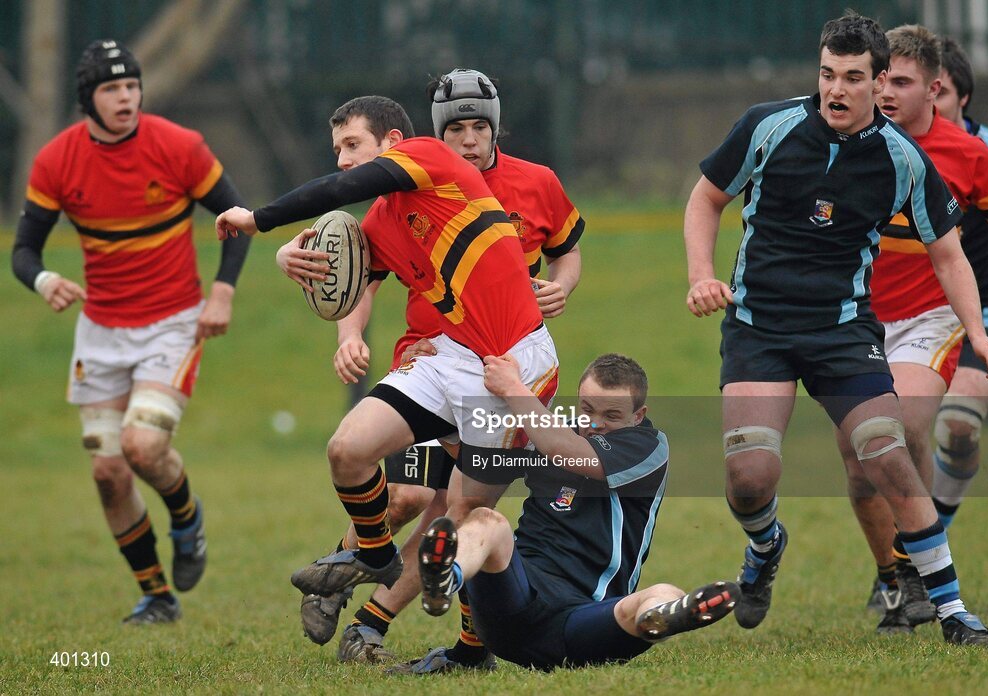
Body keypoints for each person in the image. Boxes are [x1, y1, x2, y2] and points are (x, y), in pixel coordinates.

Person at [683, 12, 988, 646]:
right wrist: (701, 274)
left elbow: (949, 252)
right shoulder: (767, 126)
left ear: (879, 81)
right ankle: (765, 551)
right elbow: (706, 197)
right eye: (827, 74)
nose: (836, 90)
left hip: (843, 334)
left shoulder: (903, 159)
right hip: (760, 328)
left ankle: (952, 612)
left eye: (853, 78)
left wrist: (976, 332)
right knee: (749, 479)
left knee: (887, 452)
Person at [214, 96, 561, 637]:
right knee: (348, 451)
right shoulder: (381, 221)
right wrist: (287, 254)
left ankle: (465, 641)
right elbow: (346, 272)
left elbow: (337, 191)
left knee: (461, 514)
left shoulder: (432, 158)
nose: (344, 160)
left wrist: (258, 219)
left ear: (394, 144)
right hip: (445, 355)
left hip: (516, 363)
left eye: (354, 145)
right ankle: (373, 555)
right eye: (338, 149)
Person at [285, 69, 584, 667]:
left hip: (504, 363)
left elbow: (567, 250)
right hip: (430, 356)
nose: (468, 139)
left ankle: (383, 625)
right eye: (456, 128)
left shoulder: (535, 182)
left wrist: (561, 286)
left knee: (460, 510)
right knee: (405, 497)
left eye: (479, 127)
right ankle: (353, 565)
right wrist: (345, 330)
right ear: (432, 135)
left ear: (495, 127)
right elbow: (353, 270)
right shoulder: (407, 189)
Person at [10, 40, 252, 623]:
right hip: (99, 333)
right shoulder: (56, 161)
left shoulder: (179, 146)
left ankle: (187, 519)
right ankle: (157, 596)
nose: (125, 97)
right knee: (107, 471)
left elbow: (238, 221)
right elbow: (23, 250)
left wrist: (222, 291)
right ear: (87, 99)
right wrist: (44, 281)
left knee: (143, 448)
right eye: (111, 89)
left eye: (131, 86)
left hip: (172, 324)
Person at [392, 353, 738, 672]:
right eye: (587, 409)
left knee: (655, 594)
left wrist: (513, 387)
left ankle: (667, 616)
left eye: (612, 415)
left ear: (638, 416)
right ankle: (444, 579)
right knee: (485, 520)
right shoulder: (551, 430)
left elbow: (568, 451)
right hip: (514, 599)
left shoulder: (647, 446)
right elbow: (474, 474)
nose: (594, 423)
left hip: (581, 620)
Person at [843, 24, 988, 635]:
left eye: (901, 81)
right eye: (881, 78)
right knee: (858, 459)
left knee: (899, 428)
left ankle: (920, 567)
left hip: (934, 318)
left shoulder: (970, 154)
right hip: (857, 320)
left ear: (934, 87)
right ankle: (896, 579)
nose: (886, 91)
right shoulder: (848, 141)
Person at [928, 36, 988, 526]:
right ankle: (901, 564)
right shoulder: (890, 149)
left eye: (938, 92)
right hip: (896, 319)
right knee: (883, 445)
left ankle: (922, 549)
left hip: (978, 314)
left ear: (961, 96)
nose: (929, 102)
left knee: (960, 429)